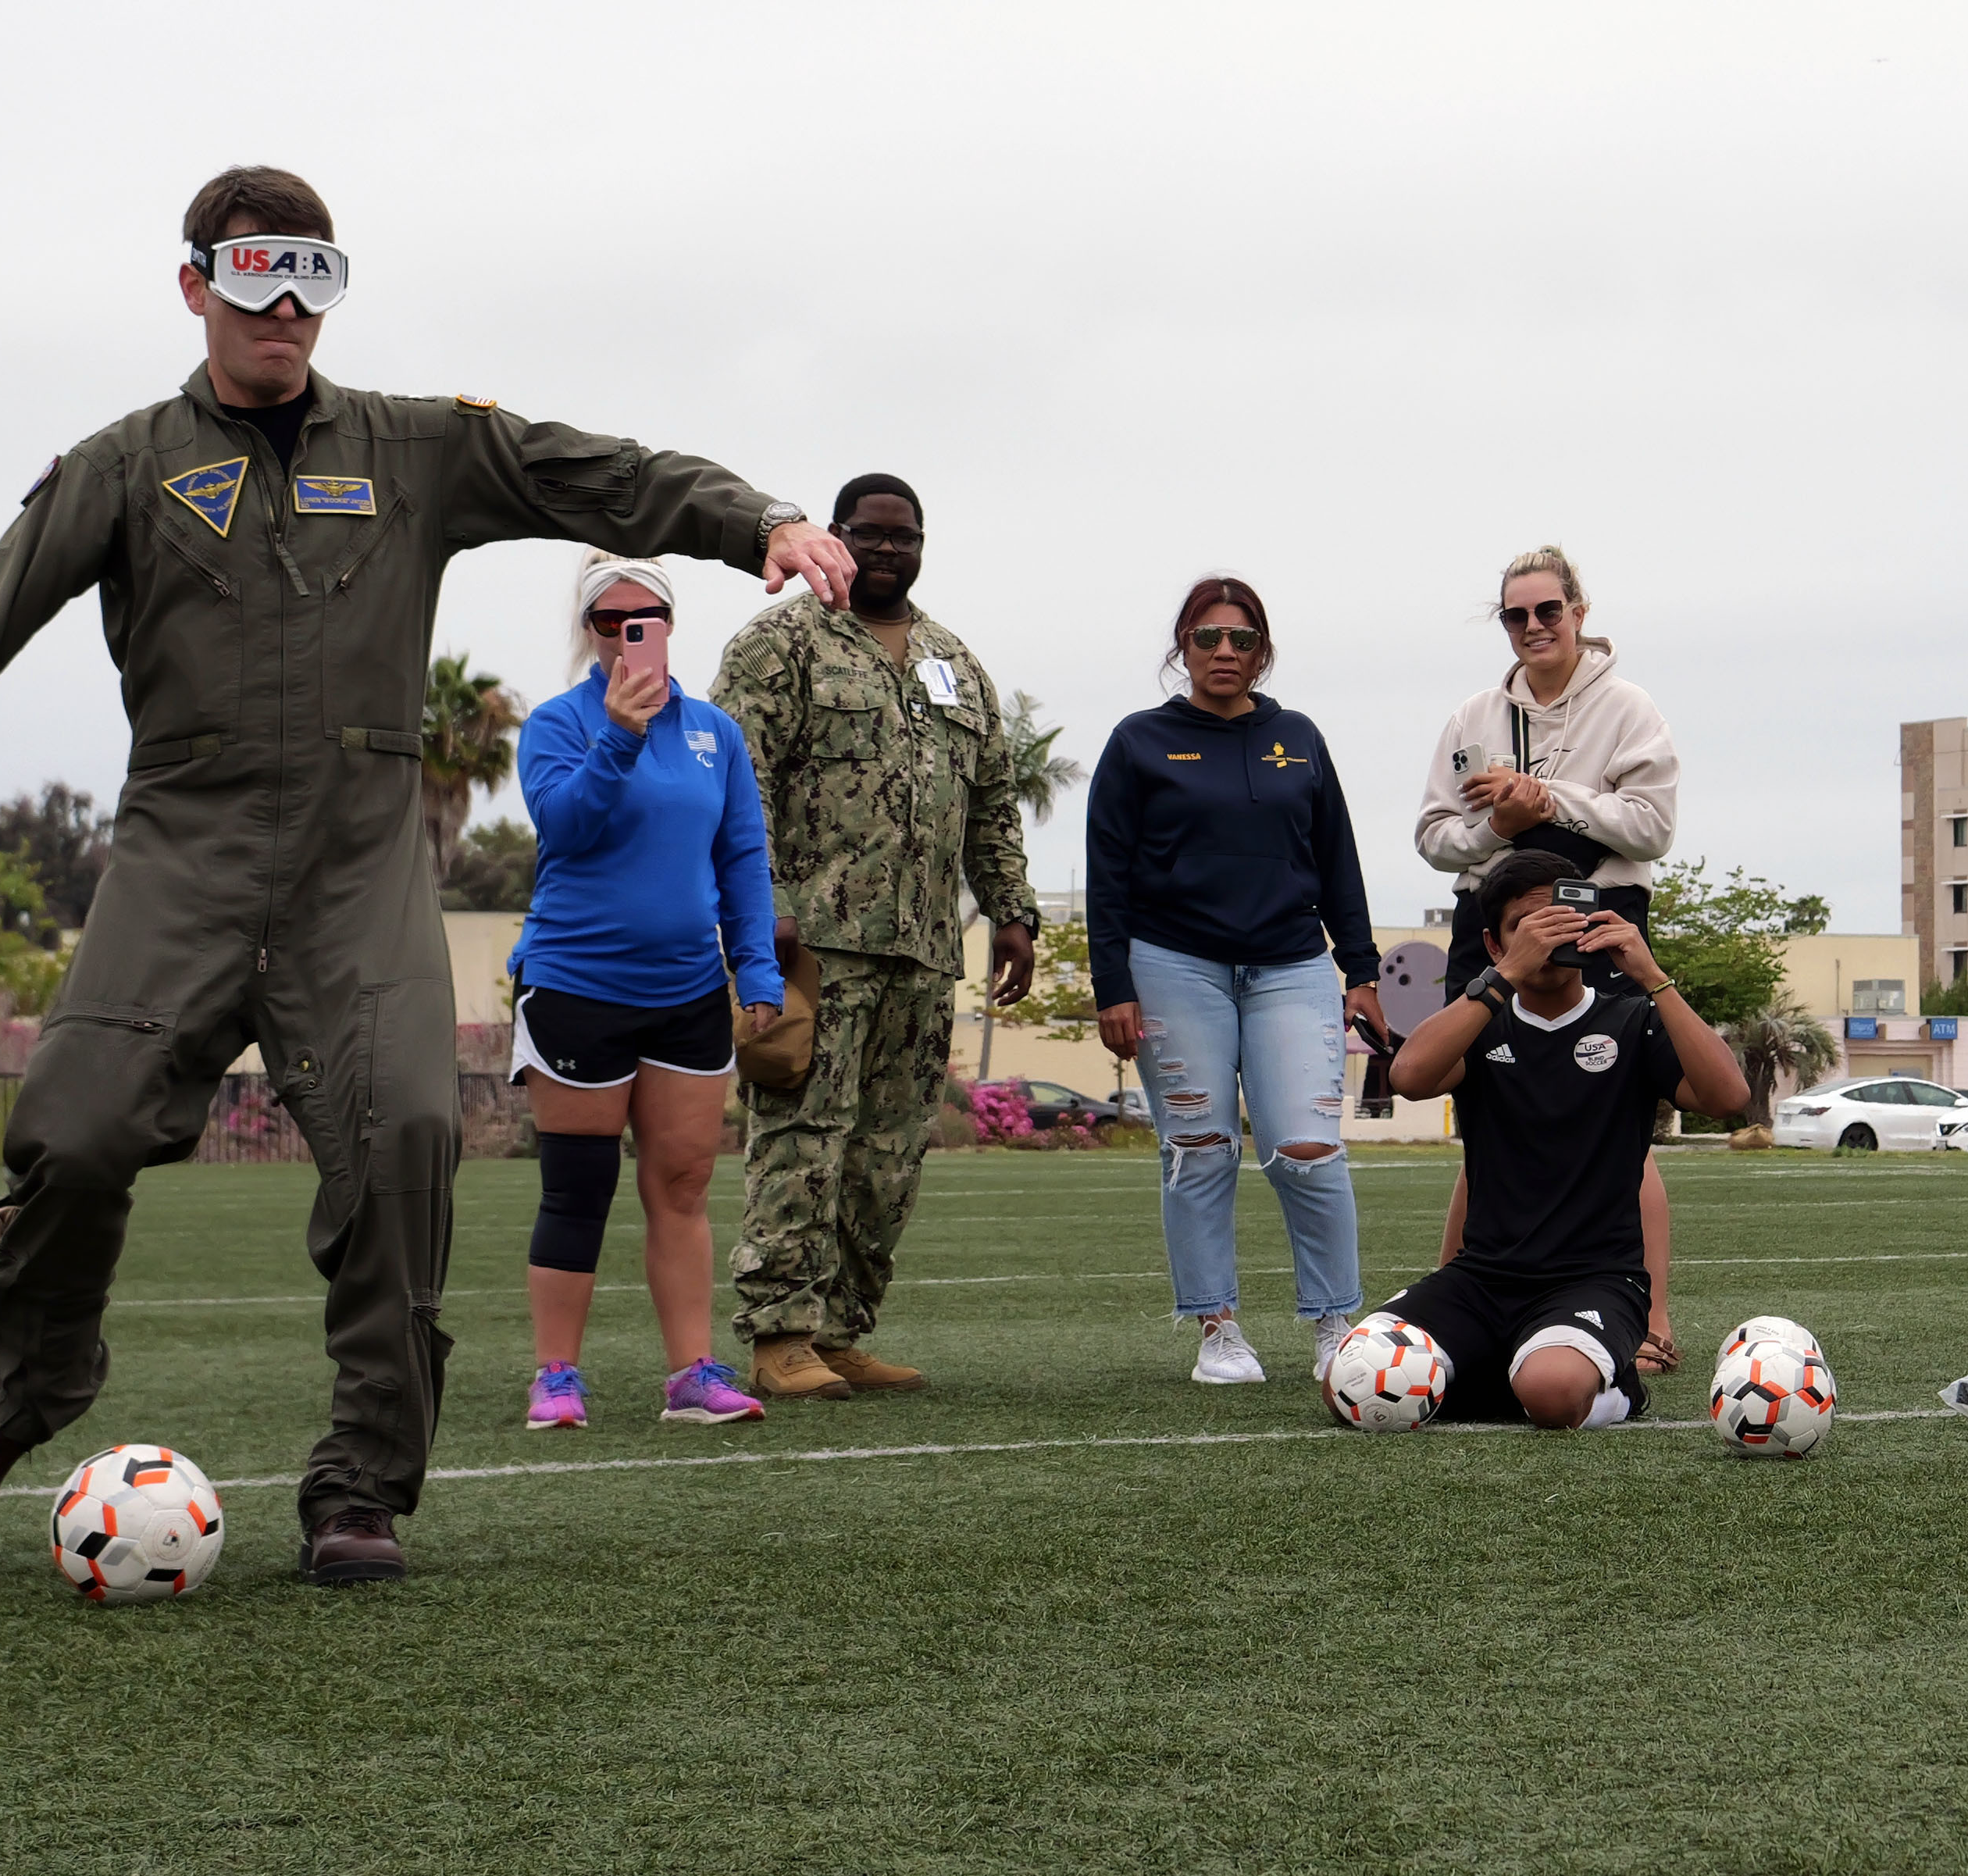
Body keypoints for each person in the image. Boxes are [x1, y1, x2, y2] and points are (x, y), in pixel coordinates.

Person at [0, 166, 850, 1582]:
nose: (286, 302)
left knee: (407, 1136)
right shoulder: (123, 464)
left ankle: (360, 1477)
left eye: (313, 272)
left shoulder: (414, 447)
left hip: (359, 862)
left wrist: (756, 522)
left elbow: (591, 470)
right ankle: (32, 1385)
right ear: (195, 286)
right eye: (252, 272)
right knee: (72, 1127)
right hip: (183, 844)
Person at [711, 472, 1039, 1401]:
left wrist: (1009, 909)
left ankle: (843, 1329)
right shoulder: (781, 645)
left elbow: (992, 802)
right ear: (837, 539)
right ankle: (780, 1334)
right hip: (807, 944)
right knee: (801, 1135)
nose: (889, 550)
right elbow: (736, 784)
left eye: (906, 535)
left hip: (922, 949)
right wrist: (756, 904)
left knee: (889, 1151)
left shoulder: (954, 661)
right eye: (869, 534)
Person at [1086, 579, 1392, 1385]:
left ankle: (1335, 1324)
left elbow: (1338, 860)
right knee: (1199, 1148)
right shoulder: (1138, 741)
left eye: (1243, 638)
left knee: (1309, 1146)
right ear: (1181, 647)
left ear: (1264, 650)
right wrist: (1111, 983)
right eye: (1207, 637)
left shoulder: (1298, 737)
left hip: (1291, 965)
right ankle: (1217, 1328)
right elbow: (1106, 873)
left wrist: (1360, 968)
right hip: (1171, 964)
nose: (1225, 652)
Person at [509, 558, 786, 1428]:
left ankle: (691, 1376)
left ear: (669, 621)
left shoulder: (715, 732)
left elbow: (741, 856)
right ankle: (556, 1376)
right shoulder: (557, 724)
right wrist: (619, 735)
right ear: (589, 631)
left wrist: (758, 968)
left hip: (687, 991)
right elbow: (566, 825)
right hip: (575, 986)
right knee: (577, 1186)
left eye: (648, 613)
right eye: (610, 617)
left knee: (682, 1183)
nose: (630, 627)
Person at [1414, 544, 1689, 1370]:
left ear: (1579, 611)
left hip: (1593, 910)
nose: (1533, 627)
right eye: (1515, 615)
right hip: (1487, 917)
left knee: (1619, 1130)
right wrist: (1498, 827)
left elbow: (1652, 829)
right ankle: (1457, 1296)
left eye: (1548, 610)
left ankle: (1652, 1318)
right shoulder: (1471, 716)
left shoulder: (1629, 706)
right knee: (1486, 1121)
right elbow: (1433, 839)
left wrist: (1548, 800)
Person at [1377, 847, 1750, 1425]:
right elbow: (1409, 1077)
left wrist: (1651, 975)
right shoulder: (1481, 1020)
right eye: (1528, 927)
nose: (1550, 939)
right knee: (1352, 1377)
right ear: (1496, 943)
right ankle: (1513, 1369)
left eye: (1561, 919)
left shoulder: (1632, 1019)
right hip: (1480, 1280)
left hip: (1595, 1281)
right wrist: (1501, 977)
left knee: (1550, 1391)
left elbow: (1729, 1098)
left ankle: (1613, 1386)